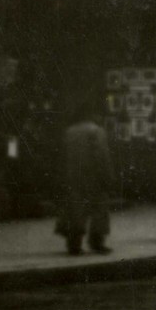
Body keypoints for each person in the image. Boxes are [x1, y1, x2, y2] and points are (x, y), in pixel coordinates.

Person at [56, 105, 114, 255]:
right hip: (93, 176)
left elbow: (61, 156)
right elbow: (102, 156)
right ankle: (97, 242)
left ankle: (74, 244)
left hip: (73, 176)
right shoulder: (96, 131)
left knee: (75, 209)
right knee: (99, 209)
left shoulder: (69, 131)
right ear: (93, 115)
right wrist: (108, 177)